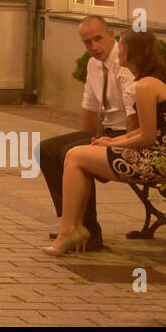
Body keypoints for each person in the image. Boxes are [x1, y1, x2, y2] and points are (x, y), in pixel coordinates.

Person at [45, 31, 166, 255]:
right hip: (157, 154)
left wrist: (112, 146)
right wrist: (113, 140)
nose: (118, 51)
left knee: (74, 155)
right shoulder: (152, 81)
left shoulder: (146, 87)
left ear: (132, 54)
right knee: (79, 153)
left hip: (158, 161)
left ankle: (71, 230)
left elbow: (148, 137)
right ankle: (75, 228)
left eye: (121, 47)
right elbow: (148, 130)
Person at [38, 15, 138, 252]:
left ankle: (89, 230)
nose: (94, 47)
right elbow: (90, 107)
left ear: (111, 35)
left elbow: (137, 114)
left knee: (72, 153)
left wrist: (96, 144)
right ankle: (72, 222)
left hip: (126, 133)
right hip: (107, 130)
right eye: (87, 42)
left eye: (98, 39)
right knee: (46, 149)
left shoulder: (123, 64)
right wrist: (88, 137)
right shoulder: (93, 64)